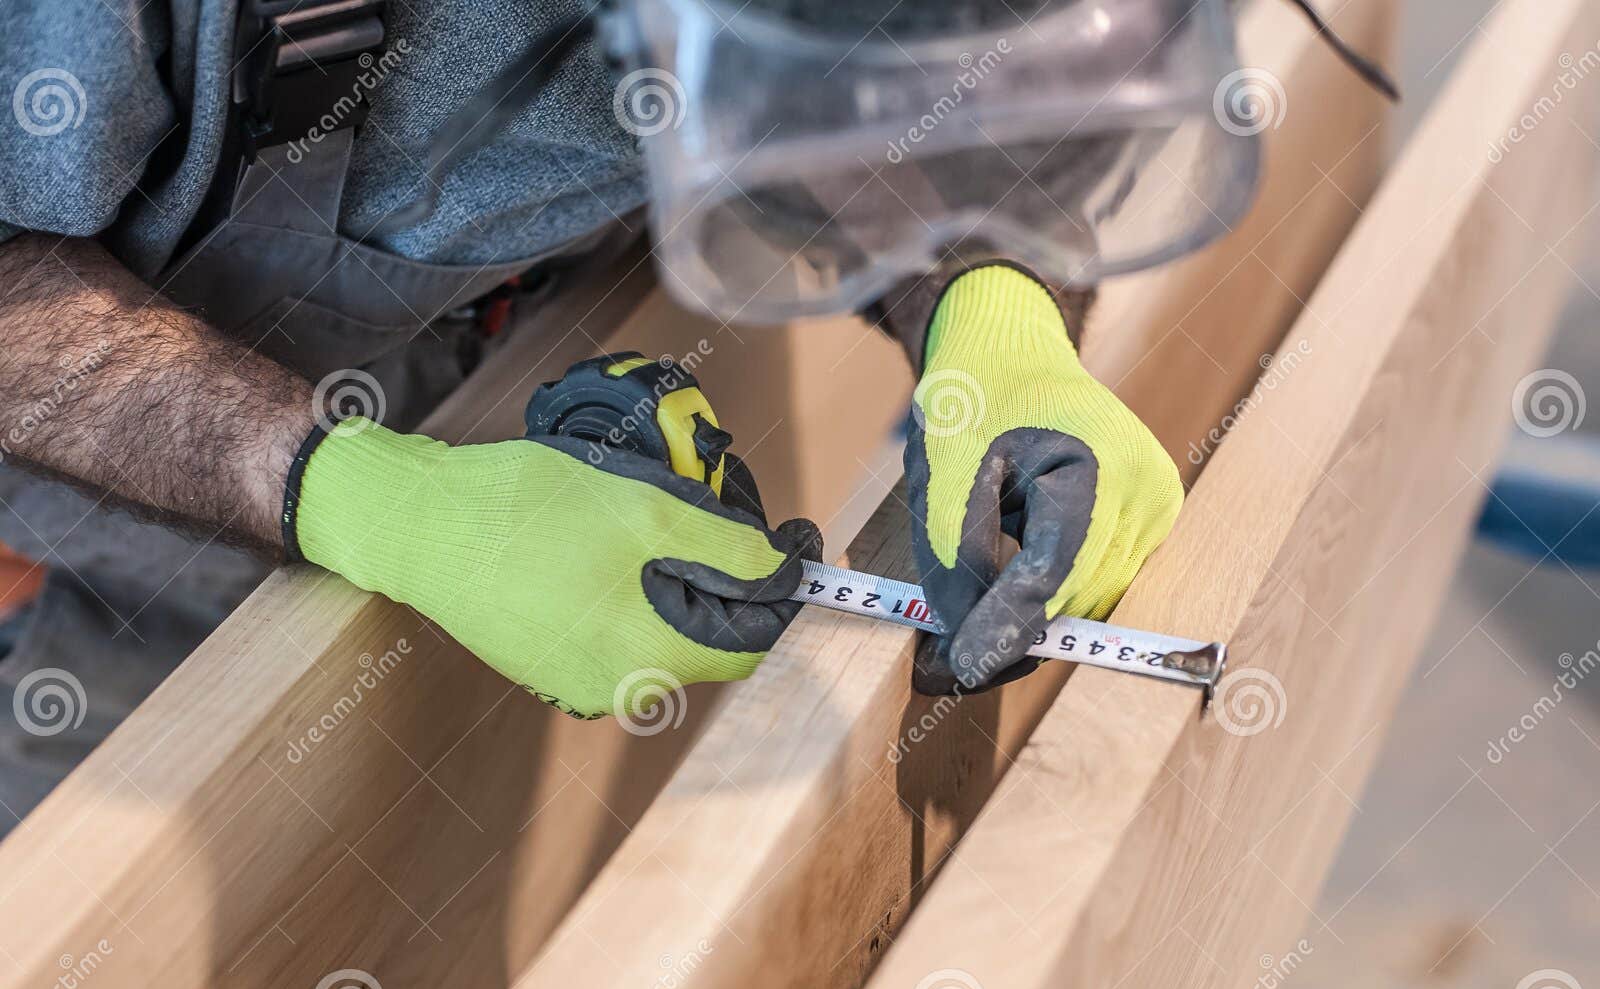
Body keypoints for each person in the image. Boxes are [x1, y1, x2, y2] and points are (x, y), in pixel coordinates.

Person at [0, 0, 1390, 832]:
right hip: (64, 539)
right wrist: (360, 494)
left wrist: (993, 314)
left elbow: (872, 110)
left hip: (471, 389)